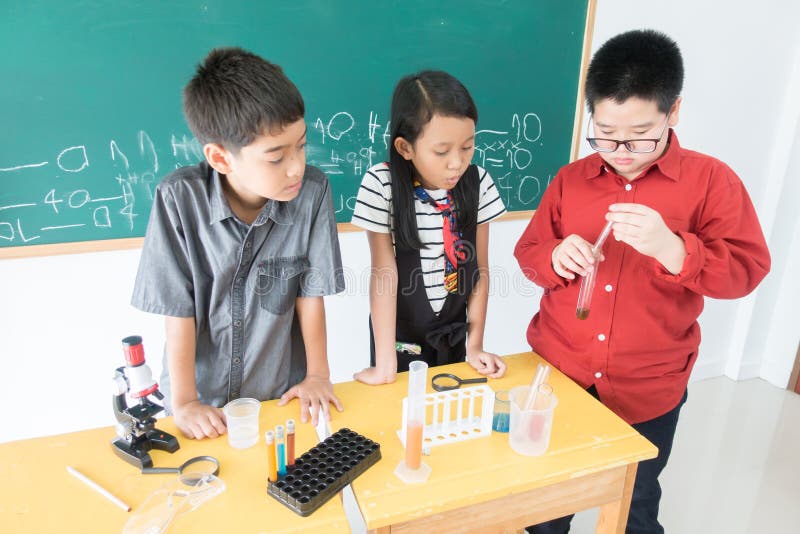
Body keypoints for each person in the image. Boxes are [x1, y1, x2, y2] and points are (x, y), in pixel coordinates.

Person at [514, 30, 770, 533]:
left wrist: (675, 249)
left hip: (649, 385)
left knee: (635, 502)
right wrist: (555, 256)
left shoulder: (712, 182)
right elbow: (528, 255)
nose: (621, 150)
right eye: (605, 134)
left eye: (640, 135)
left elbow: (746, 271)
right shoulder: (570, 179)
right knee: (545, 504)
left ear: (673, 112)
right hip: (561, 372)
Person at [131, 47, 345, 440]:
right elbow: (179, 310)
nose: (297, 166)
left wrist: (318, 375)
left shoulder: (313, 192)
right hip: (201, 400)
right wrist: (184, 402)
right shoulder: (179, 200)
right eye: (276, 157)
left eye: (301, 145)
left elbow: (310, 293)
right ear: (221, 158)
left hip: (279, 396)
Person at [351, 70, 507, 384]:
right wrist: (385, 363)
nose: (456, 163)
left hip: (455, 335)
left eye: (467, 147)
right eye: (441, 151)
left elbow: (479, 270)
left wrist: (474, 346)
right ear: (405, 148)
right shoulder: (382, 185)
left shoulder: (479, 184)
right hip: (398, 340)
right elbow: (384, 272)